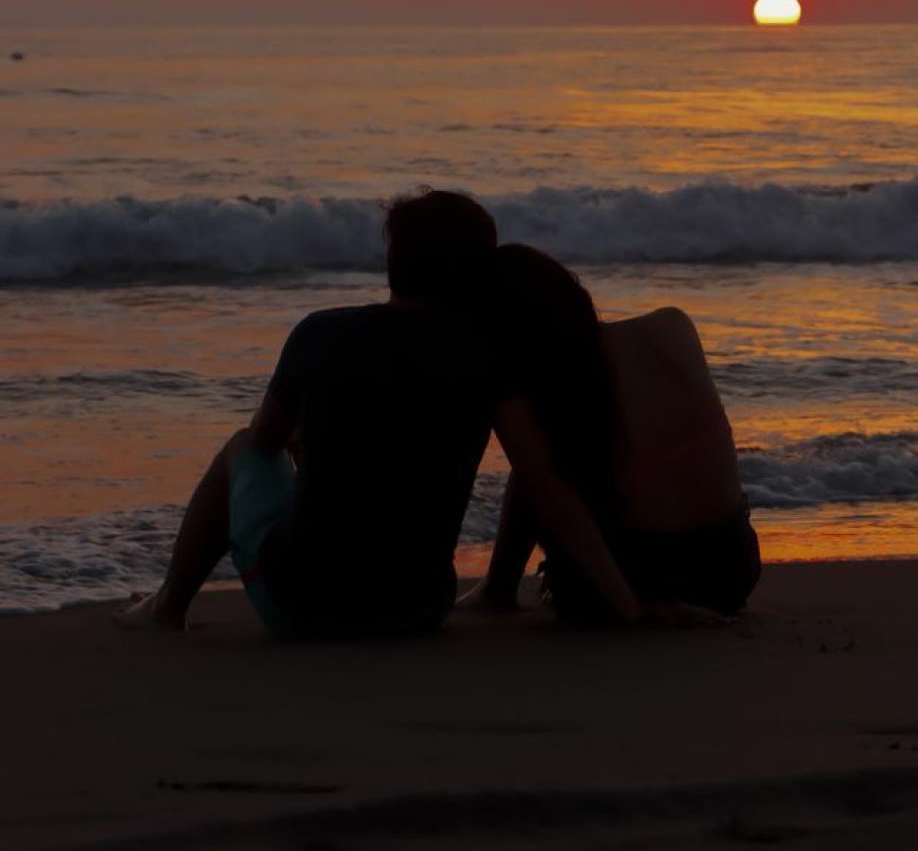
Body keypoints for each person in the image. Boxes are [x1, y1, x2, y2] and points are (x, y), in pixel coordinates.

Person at [116, 190, 645, 637]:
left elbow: (266, 438)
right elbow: (543, 482)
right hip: (417, 610)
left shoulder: (320, 333)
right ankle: (499, 592)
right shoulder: (487, 357)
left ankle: (168, 606)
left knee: (241, 448)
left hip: (301, 608)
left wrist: (312, 440)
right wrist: (630, 610)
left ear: (395, 260)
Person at [469, 245, 761, 625]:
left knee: (538, 463)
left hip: (633, 579)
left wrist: (631, 612)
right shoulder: (673, 324)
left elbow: (553, 496)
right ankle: (497, 588)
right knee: (543, 456)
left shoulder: (528, 390)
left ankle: (498, 589)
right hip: (730, 570)